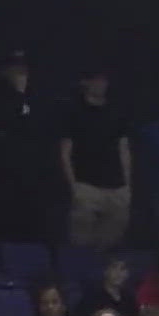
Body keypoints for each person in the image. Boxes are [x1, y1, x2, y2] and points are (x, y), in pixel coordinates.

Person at [61, 67, 131, 249]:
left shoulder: (117, 112)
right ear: (85, 83)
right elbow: (65, 152)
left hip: (116, 188)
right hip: (86, 186)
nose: (101, 84)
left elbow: (124, 149)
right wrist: (73, 186)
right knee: (80, 243)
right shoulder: (73, 111)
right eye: (96, 80)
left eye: (103, 80)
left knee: (109, 243)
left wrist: (128, 185)